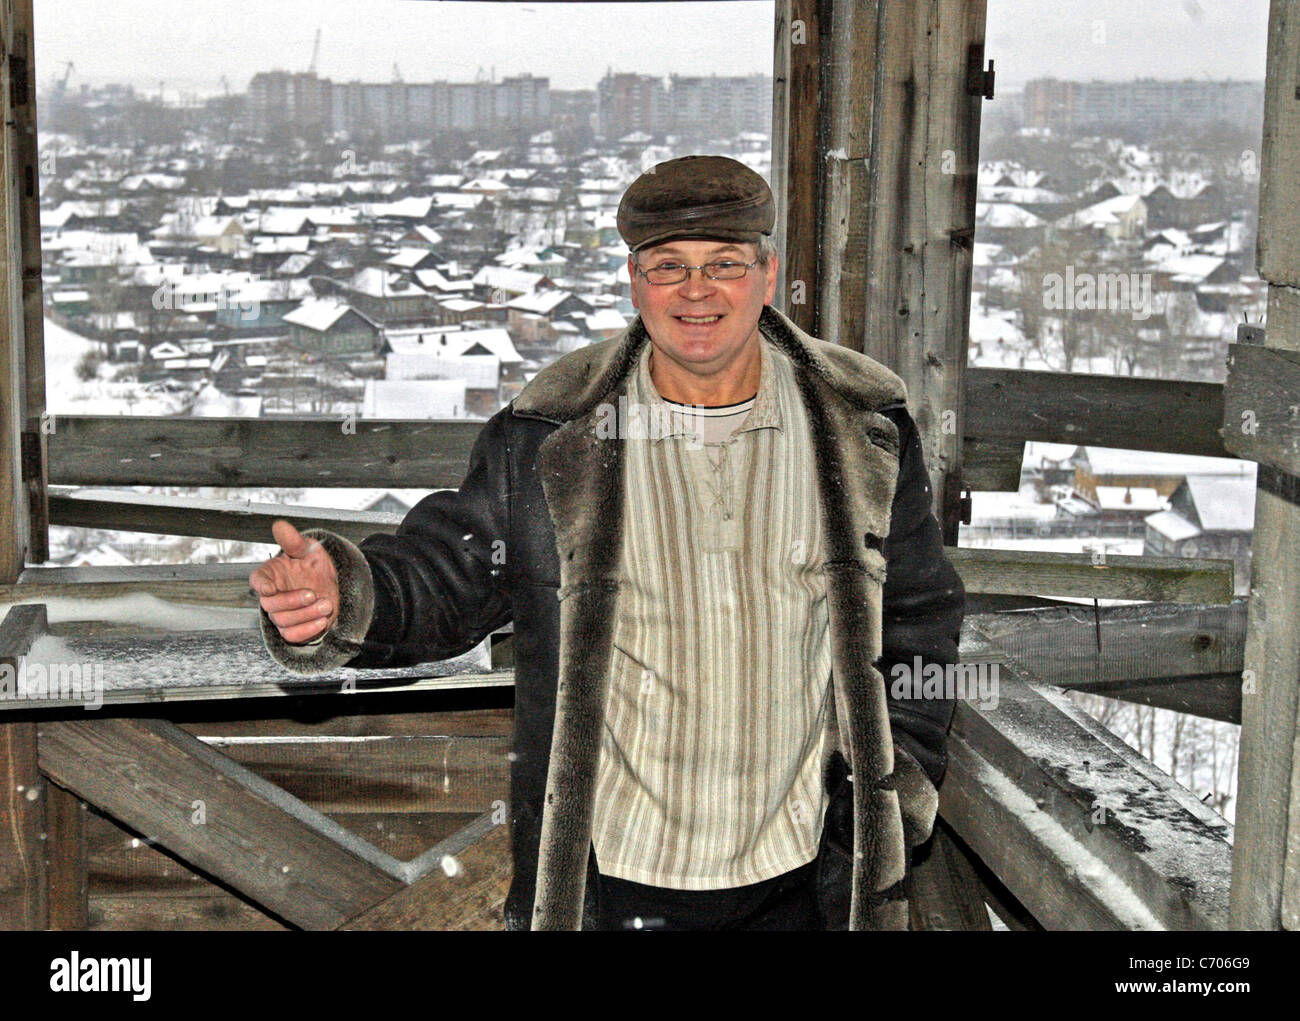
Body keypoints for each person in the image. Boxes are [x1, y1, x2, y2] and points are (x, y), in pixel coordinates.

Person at [251, 155, 966, 931]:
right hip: (613, 881)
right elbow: (451, 571)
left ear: (768, 275)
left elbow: (918, 615)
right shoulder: (556, 433)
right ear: (634, 280)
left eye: (724, 264)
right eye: (669, 267)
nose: (697, 290)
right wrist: (345, 595)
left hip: (804, 881)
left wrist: (901, 792)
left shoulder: (861, 426)